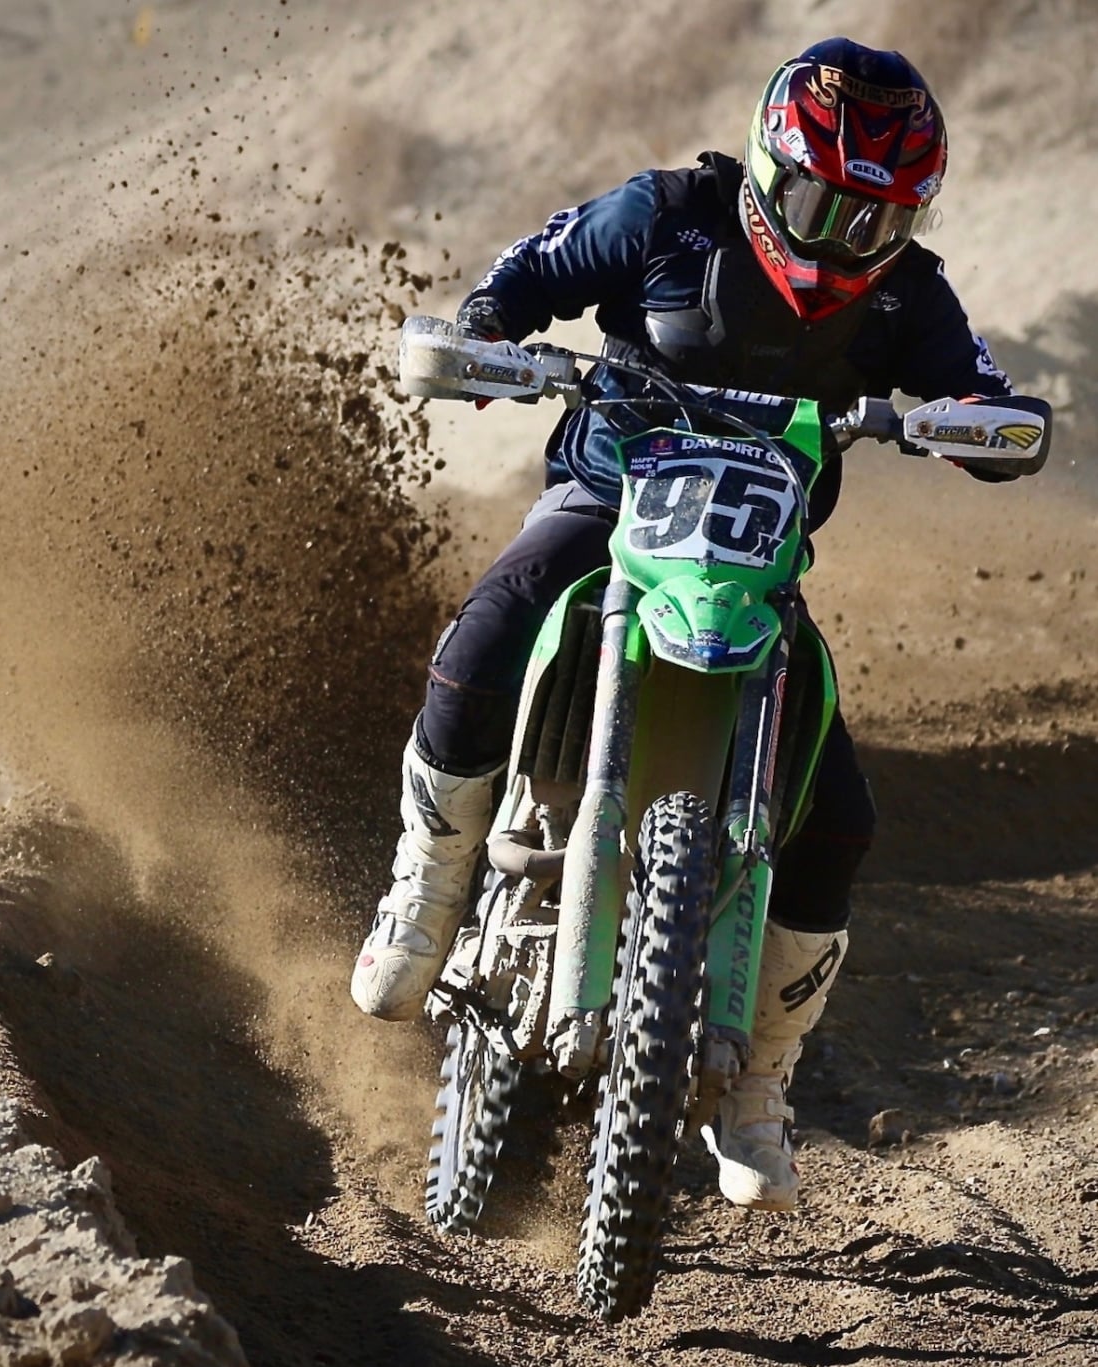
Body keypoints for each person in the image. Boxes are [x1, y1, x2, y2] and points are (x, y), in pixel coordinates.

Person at [350, 38, 1050, 1212]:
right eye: (819, 203)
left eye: (872, 222)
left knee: (837, 817)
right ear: (772, 172)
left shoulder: (906, 293)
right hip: (610, 497)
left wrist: (980, 421)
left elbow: (973, 389)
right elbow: (526, 276)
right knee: (493, 620)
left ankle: (759, 1079)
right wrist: (488, 333)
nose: (842, 240)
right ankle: (424, 888)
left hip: (756, 561)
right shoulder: (666, 214)